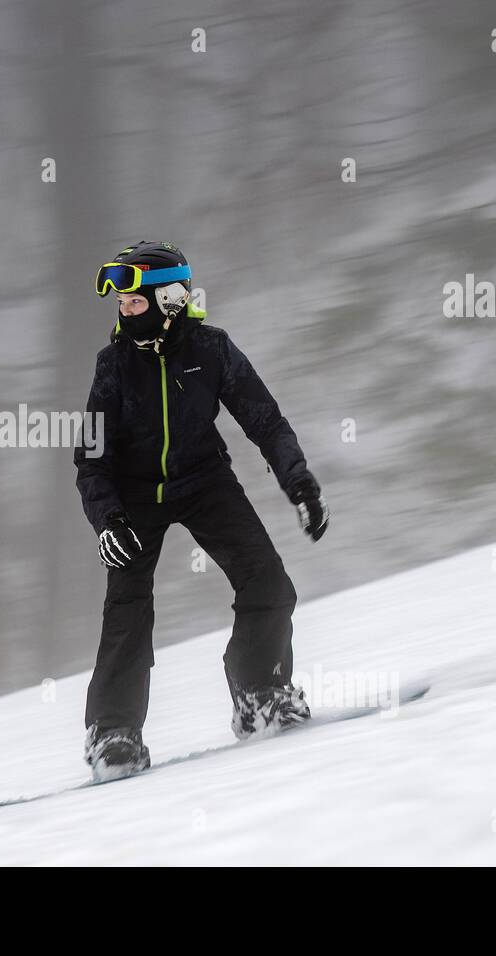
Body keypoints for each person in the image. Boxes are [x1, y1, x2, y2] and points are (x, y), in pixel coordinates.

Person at [73, 240, 329, 782]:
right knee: (128, 607)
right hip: (134, 495)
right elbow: (92, 459)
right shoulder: (113, 366)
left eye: (134, 302)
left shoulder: (212, 349)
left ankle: (261, 693)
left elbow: (265, 421)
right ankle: (114, 733)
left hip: (203, 480)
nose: (124, 311)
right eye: (120, 304)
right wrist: (108, 521)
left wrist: (299, 482)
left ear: (169, 300)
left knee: (268, 582)